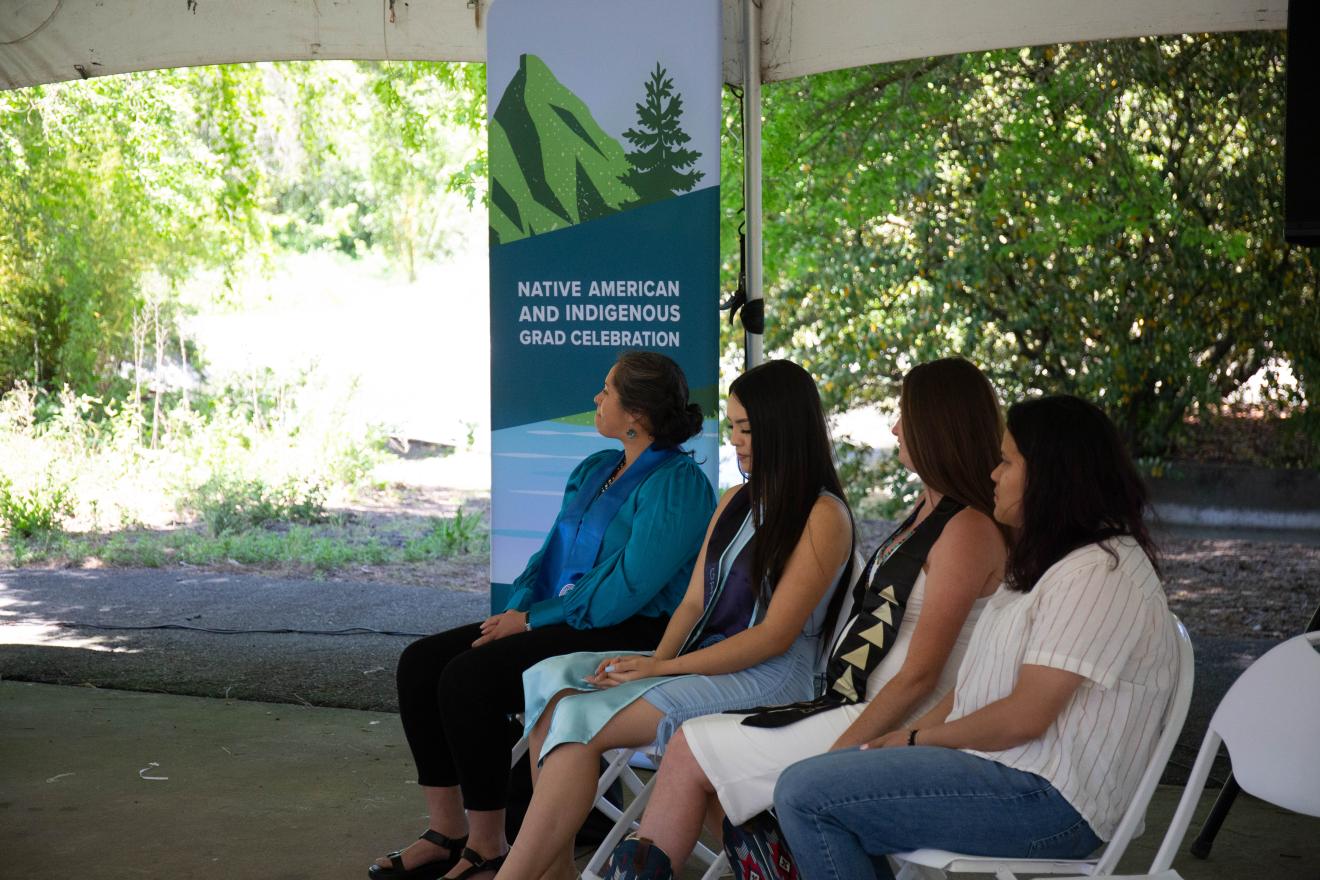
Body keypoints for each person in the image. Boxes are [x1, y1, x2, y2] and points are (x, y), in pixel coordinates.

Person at [600, 357, 1010, 880]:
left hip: (894, 719)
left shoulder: (967, 530)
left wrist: (837, 755)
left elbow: (922, 676)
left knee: (692, 750)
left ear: (938, 427)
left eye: (904, 415)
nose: (894, 427)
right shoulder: (930, 512)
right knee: (700, 758)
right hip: (855, 701)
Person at [772, 394, 1180, 880]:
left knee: (806, 795)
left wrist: (917, 739)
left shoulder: (1099, 572)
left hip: (1051, 802)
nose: (993, 474)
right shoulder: (1053, 558)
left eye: (1007, 462)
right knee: (818, 786)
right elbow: (972, 691)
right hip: (1009, 773)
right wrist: (909, 740)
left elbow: (1025, 717)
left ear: (1050, 476)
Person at [488, 360, 854, 880]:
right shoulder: (736, 500)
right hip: (707, 658)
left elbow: (774, 637)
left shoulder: (823, 516)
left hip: (774, 677)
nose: (736, 441)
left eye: (747, 429)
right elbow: (689, 604)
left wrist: (661, 671)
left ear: (786, 428)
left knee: (574, 716)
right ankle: (552, 873)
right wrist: (657, 660)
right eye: (731, 427)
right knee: (551, 683)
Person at [369, 351, 716, 880]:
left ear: (636, 415)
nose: (596, 399)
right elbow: (548, 555)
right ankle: (446, 833)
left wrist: (532, 623)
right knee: (420, 662)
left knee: (468, 679)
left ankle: (488, 845)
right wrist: (516, 610)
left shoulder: (678, 485)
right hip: (564, 616)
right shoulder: (598, 468)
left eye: (606, 390)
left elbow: (628, 588)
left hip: (634, 631)